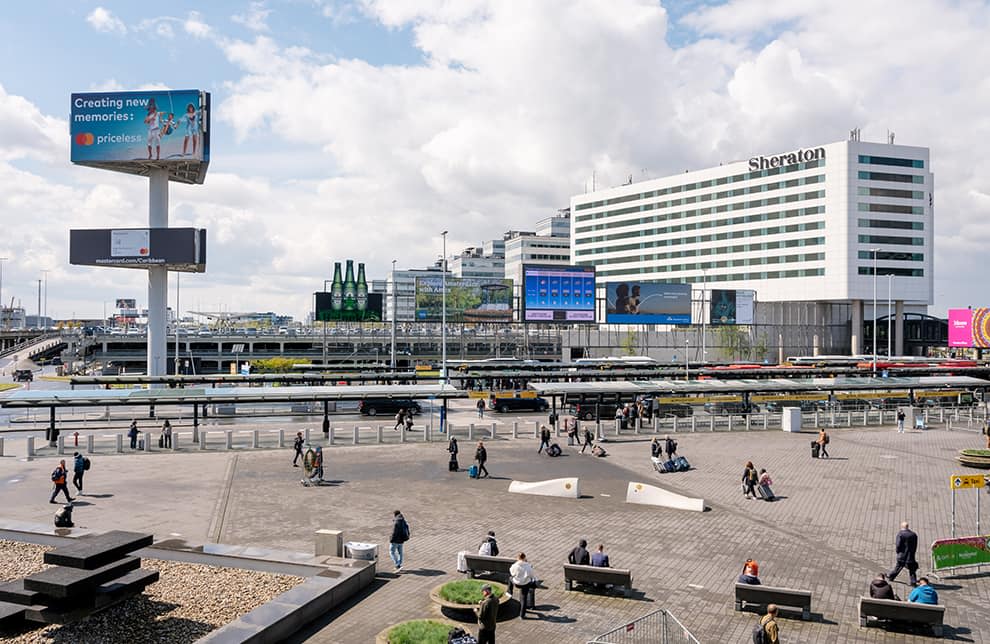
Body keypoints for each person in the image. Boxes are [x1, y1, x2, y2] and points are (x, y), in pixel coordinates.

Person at [888, 521, 919, 586]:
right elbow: (915, 545)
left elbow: (898, 545)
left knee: (898, 566)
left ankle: (891, 576)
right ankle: (913, 581)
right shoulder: (914, 534)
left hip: (902, 555)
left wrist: (898, 552)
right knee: (912, 569)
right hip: (910, 556)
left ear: (901, 527)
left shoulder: (901, 534)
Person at [509, 552, 537, 618]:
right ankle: (522, 615)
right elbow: (532, 575)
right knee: (524, 598)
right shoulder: (528, 566)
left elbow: (512, 573)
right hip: (525, 584)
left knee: (510, 578)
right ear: (524, 558)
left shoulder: (515, 565)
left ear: (518, 558)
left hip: (517, 583)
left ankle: (509, 591)